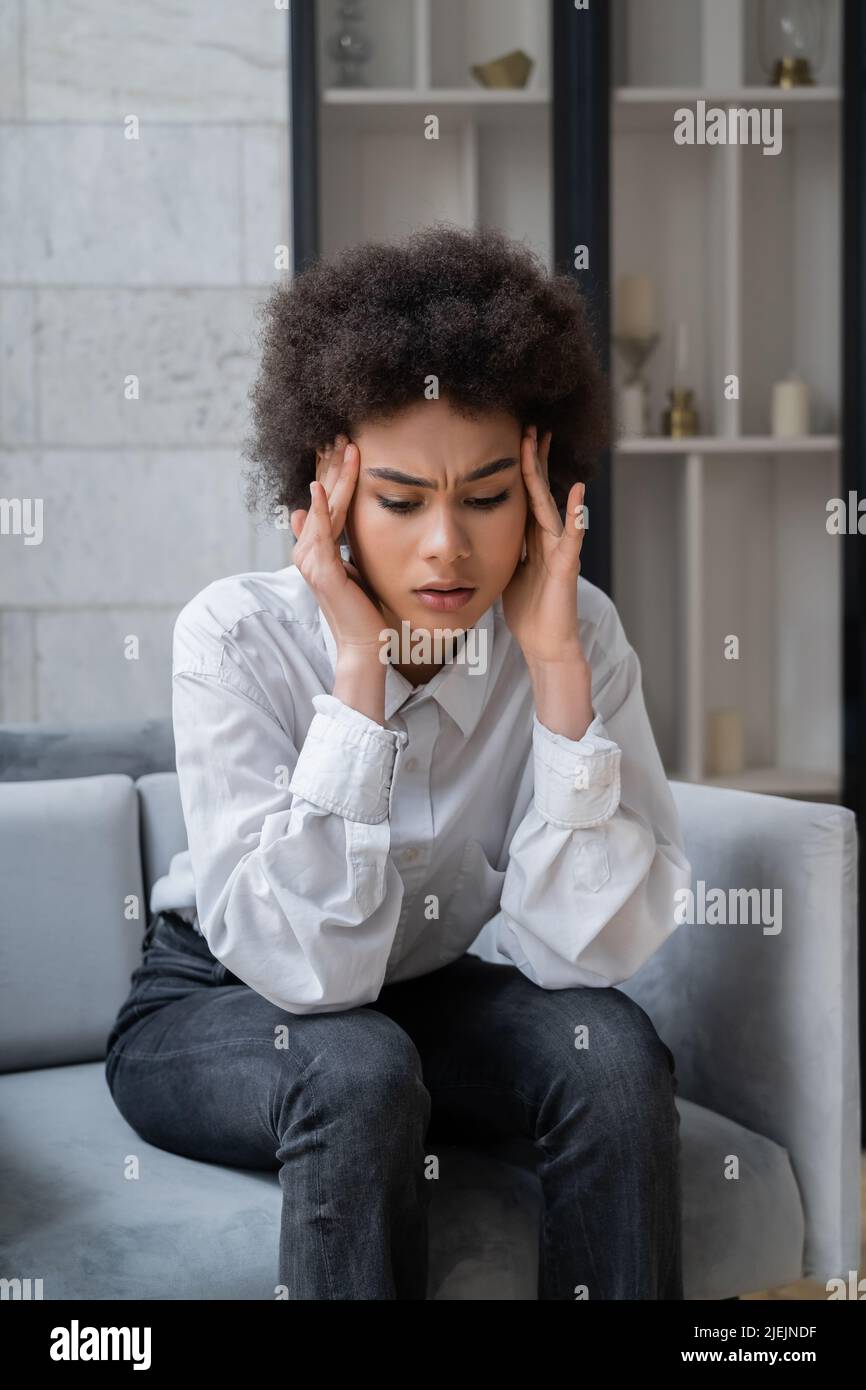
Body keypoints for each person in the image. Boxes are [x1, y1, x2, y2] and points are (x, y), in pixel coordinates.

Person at [104, 224, 692, 1300]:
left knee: (608, 1054)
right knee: (357, 1067)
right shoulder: (232, 635)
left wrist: (557, 670)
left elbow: (586, 950)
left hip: (417, 985)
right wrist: (359, 671)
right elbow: (311, 971)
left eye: (483, 496)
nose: (445, 548)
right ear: (324, 494)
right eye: (399, 499)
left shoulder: (575, 631)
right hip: (225, 995)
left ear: (541, 489)